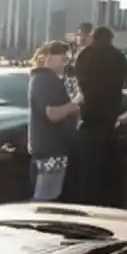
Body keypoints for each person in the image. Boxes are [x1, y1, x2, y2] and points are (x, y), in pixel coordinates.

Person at [71, 26, 127, 206]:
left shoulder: (85, 55)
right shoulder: (119, 57)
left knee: (88, 163)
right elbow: (123, 81)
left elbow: (80, 82)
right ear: (110, 39)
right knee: (109, 160)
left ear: (93, 38)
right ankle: (109, 200)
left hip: (90, 112)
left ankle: (86, 199)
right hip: (110, 112)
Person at [29, 41, 82, 201]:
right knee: (45, 200)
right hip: (51, 151)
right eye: (62, 58)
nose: (66, 62)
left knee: (48, 196)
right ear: (47, 57)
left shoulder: (45, 79)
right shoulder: (44, 80)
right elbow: (52, 113)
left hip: (49, 149)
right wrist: (75, 104)